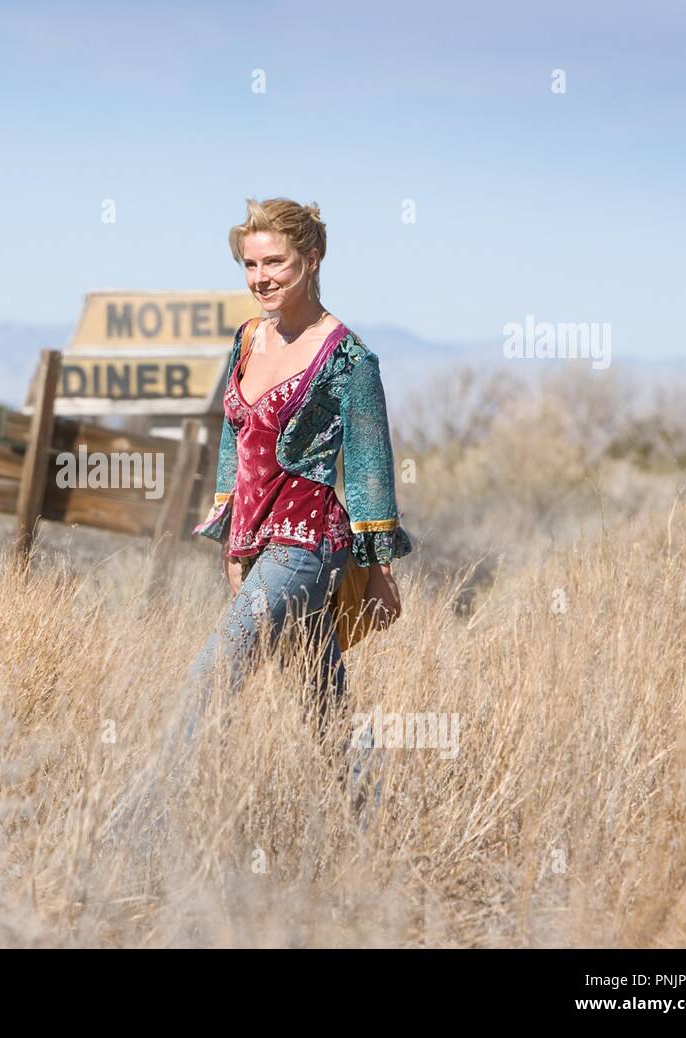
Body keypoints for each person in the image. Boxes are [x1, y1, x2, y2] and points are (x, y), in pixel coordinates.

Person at [156, 198, 413, 815]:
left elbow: (372, 470)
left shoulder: (349, 358)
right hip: (257, 543)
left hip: (307, 545)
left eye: (275, 262)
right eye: (250, 264)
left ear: (312, 259)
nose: (260, 277)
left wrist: (378, 571)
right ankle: (378, 829)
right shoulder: (246, 339)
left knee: (209, 680)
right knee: (319, 698)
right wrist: (230, 541)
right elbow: (233, 438)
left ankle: (135, 832)